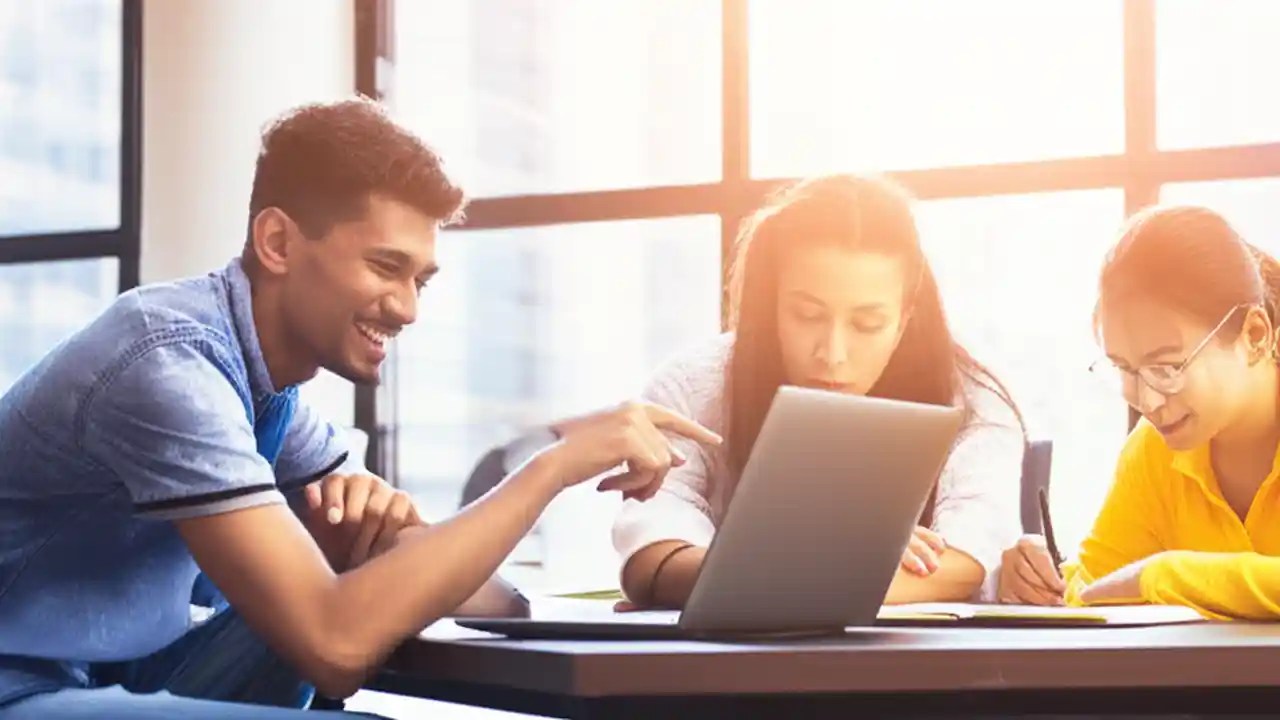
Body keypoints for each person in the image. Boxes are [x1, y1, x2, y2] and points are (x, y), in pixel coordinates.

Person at [0, 98, 720, 718]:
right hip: (17, 690)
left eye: (421, 280)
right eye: (385, 267)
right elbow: (335, 646)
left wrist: (385, 541)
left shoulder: (270, 395)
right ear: (278, 241)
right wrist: (552, 469)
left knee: (344, 579)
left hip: (111, 682)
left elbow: (494, 603)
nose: (406, 309)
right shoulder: (166, 361)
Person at [609, 174, 1027, 610]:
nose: (833, 354)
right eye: (807, 315)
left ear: (904, 319)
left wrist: (791, 571)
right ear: (772, 304)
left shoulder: (975, 399)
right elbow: (654, 561)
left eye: (867, 324)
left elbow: (966, 561)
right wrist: (837, 562)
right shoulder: (693, 387)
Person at [997, 205, 1280, 620]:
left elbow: (1147, 577)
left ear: (1255, 335)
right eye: (1125, 369)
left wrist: (1168, 574)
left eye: (1166, 367)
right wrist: (1037, 582)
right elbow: (1097, 586)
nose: (1147, 401)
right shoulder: (1154, 450)